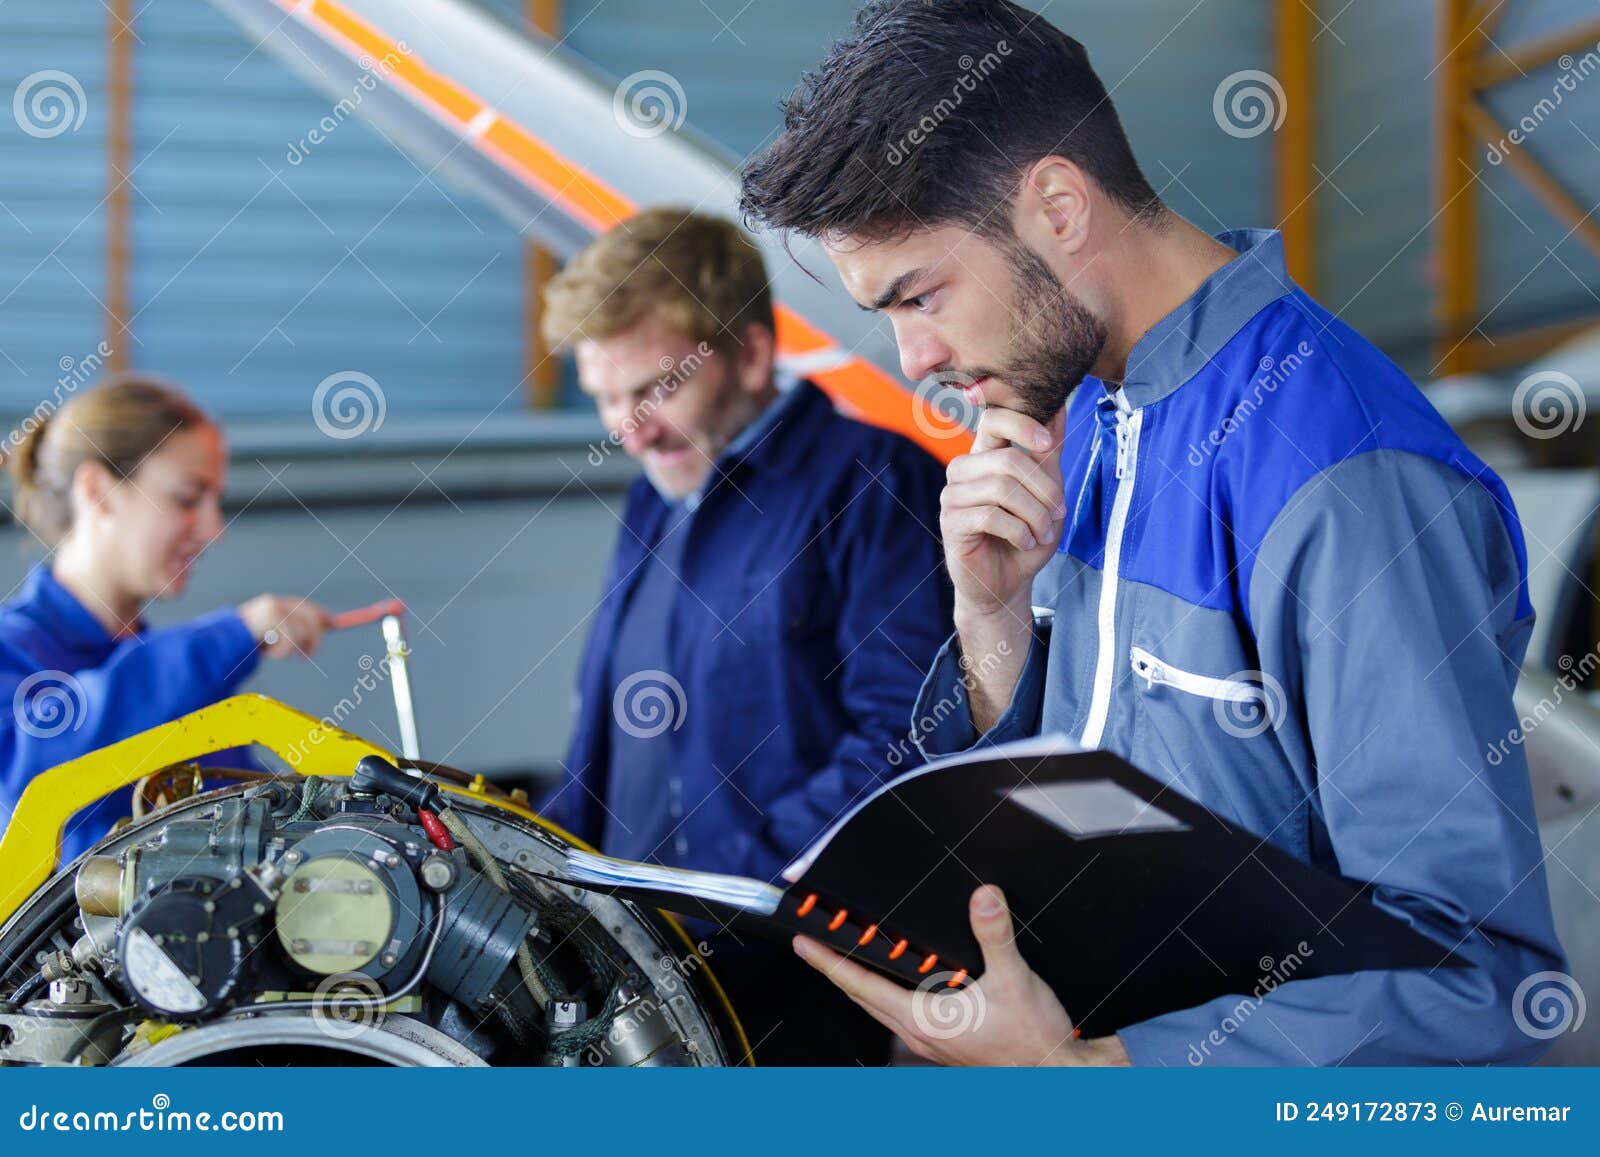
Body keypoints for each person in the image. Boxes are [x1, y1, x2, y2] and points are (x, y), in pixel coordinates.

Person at [740, 0, 1565, 1066]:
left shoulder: (1351, 480)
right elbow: (1071, 801)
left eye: (920, 296)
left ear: (1057, 205)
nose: (915, 359)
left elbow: (1478, 983)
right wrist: (992, 619)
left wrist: (1092, 1073)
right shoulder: (1076, 418)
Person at [538, 208, 953, 1064]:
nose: (629, 430)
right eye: (606, 398)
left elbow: (906, 739)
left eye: (654, 389)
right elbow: (605, 736)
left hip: (785, 1000)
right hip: (633, 986)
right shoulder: (657, 493)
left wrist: (718, 897)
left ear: (753, 353)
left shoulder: (875, 482)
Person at [0, 376, 332, 866]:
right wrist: (232, 635)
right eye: (187, 499)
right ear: (98, 491)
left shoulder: (180, 686)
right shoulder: (12, 653)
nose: (213, 530)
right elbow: (35, 781)